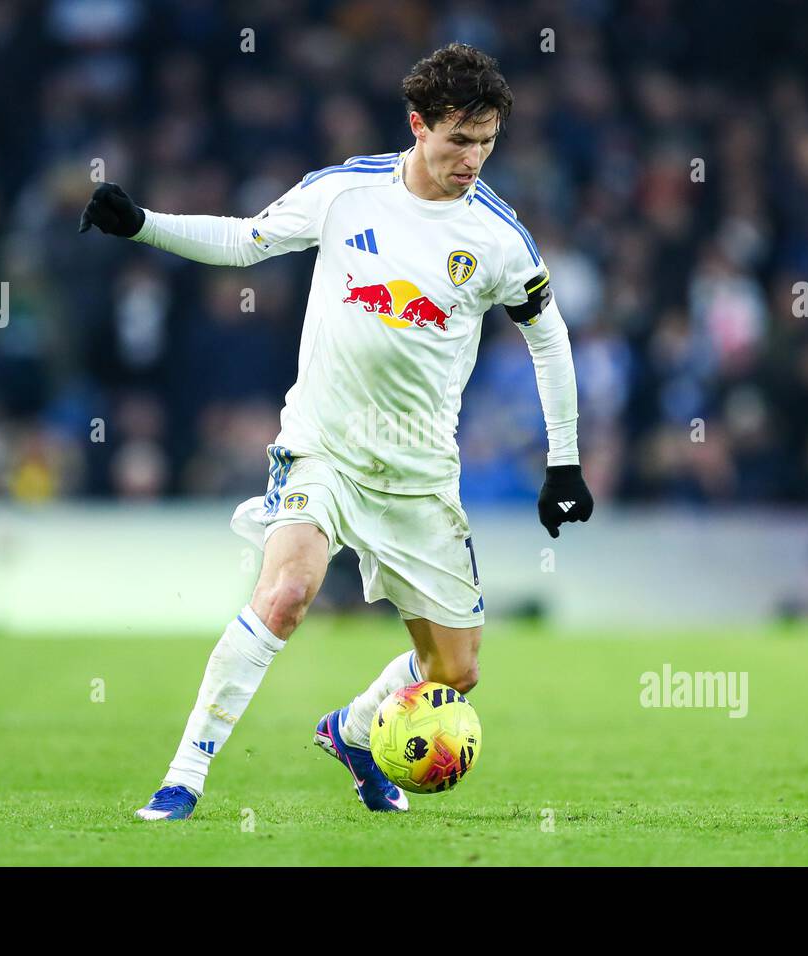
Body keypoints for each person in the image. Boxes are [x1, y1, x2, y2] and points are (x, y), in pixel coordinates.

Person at [80, 42, 593, 820]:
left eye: (487, 143)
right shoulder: (345, 193)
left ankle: (354, 732)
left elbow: (549, 339)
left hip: (421, 474)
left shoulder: (498, 238)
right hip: (326, 448)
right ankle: (183, 777)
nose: (473, 159)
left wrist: (565, 462)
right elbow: (246, 241)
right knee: (286, 594)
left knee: (454, 671)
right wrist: (143, 226)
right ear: (418, 126)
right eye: (459, 140)